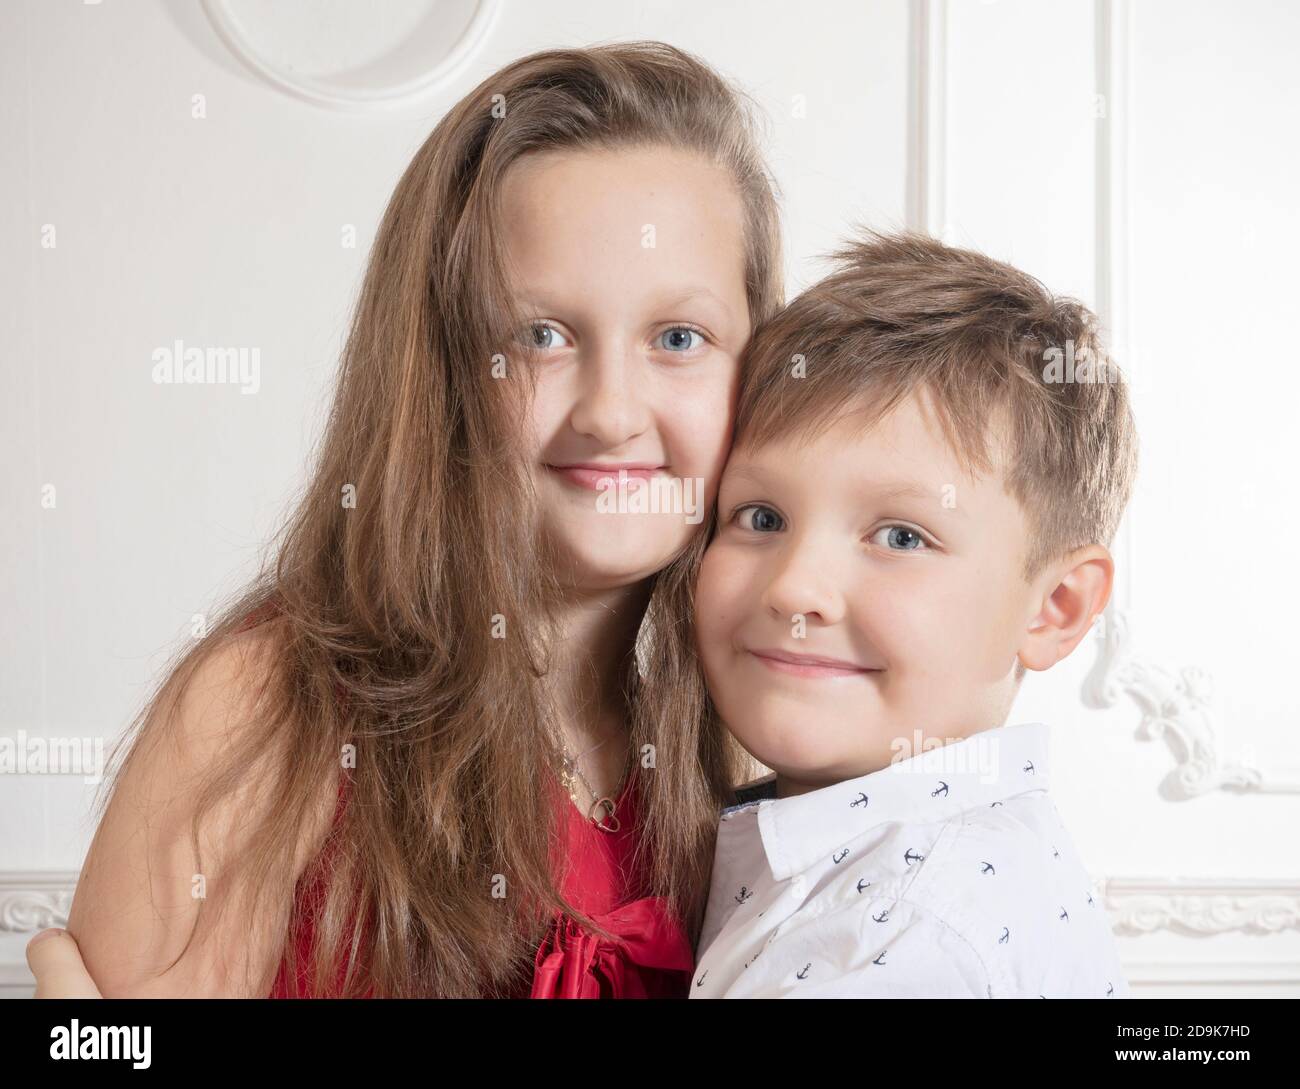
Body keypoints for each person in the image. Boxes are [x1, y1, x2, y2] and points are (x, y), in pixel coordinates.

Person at [26, 41, 782, 999]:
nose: (612, 412)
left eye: (679, 338)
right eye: (539, 335)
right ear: (441, 369)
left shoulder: (726, 737)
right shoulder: (269, 708)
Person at [687, 230, 1138, 997]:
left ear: (1055, 608)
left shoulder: (914, 926)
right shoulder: (893, 857)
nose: (795, 590)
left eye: (900, 536)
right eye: (761, 517)